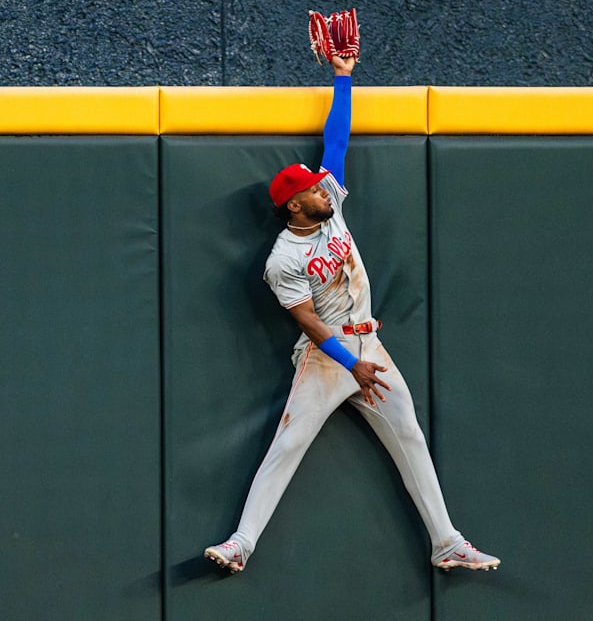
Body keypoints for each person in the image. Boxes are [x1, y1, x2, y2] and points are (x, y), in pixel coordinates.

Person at [203, 51, 499, 575]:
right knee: (289, 443)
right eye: (311, 189)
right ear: (294, 204)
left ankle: (447, 542)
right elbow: (309, 323)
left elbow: (336, 139)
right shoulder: (283, 260)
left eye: (320, 185)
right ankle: (240, 544)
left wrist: (343, 77)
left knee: (409, 435)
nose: (322, 187)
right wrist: (350, 364)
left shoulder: (330, 206)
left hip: (370, 346)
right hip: (327, 354)